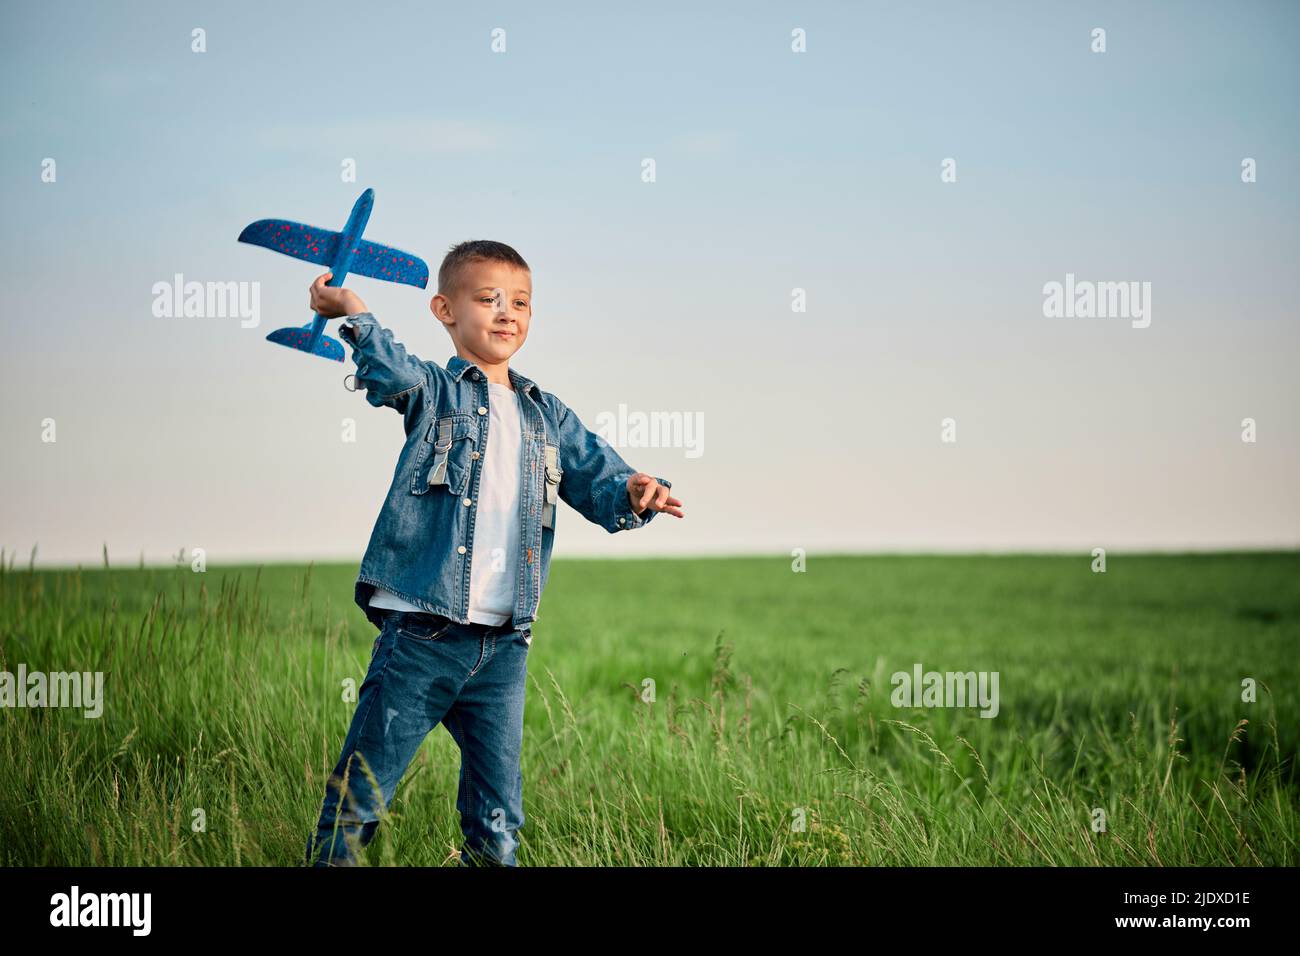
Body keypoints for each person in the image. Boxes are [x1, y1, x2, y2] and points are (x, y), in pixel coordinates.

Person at [303, 240, 684, 866]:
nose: (507, 313)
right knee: (362, 795)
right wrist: (353, 311)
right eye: (488, 300)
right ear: (445, 311)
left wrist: (637, 490)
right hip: (423, 634)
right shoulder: (435, 393)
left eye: (522, 303)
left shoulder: (547, 415)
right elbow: (389, 371)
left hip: (504, 644)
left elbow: (598, 476)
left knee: (499, 814)